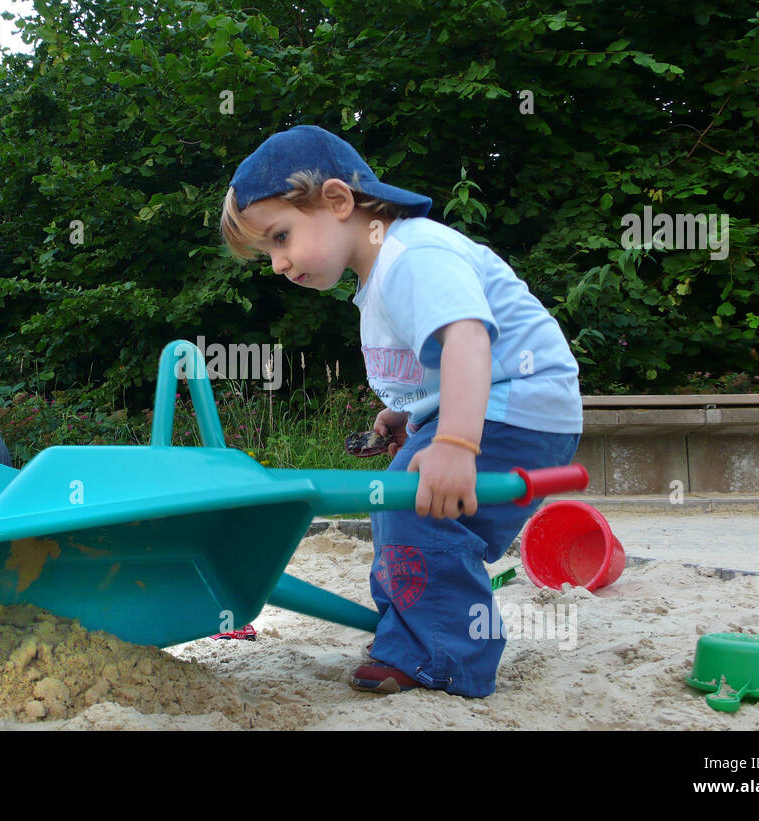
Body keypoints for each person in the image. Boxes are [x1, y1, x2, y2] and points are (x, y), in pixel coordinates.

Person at [219, 125, 582, 696]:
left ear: (338, 201)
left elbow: (467, 340)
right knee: (400, 509)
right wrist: (408, 416)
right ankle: (415, 633)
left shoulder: (414, 255)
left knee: (417, 511)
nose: (278, 263)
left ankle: (441, 656)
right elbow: (433, 369)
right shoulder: (379, 275)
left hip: (516, 404)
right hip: (492, 407)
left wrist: (455, 444)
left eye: (281, 237)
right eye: (268, 250)